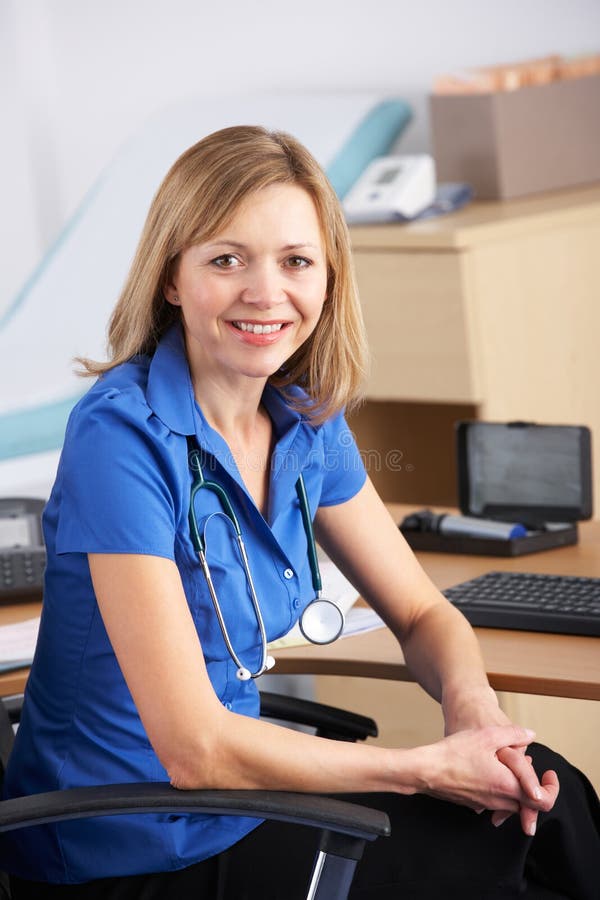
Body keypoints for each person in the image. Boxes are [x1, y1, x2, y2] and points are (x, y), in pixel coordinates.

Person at [2, 125, 598, 899]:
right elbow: (194, 751)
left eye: (295, 262)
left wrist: (474, 715)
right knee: (509, 871)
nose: (265, 292)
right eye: (226, 259)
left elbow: (421, 613)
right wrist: (419, 772)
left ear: (327, 279)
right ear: (172, 279)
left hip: (238, 803)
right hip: (126, 845)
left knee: (551, 798)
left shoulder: (303, 419)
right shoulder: (119, 438)